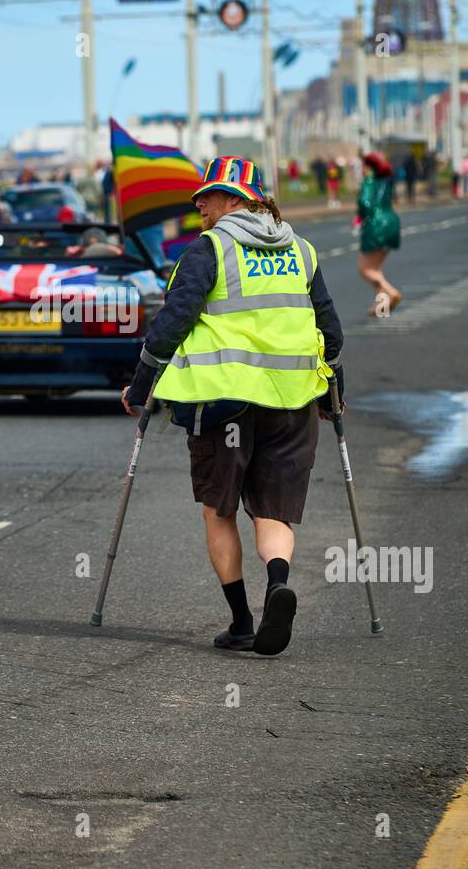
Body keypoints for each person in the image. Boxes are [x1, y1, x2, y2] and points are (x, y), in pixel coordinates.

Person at [121, 156, 344, 658]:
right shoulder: (302, 251)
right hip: (292, 402)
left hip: (223, 404)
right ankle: (278, 584)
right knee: (273, 509)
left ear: (235, 199)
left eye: (209, 194)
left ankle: (243, 621)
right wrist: (333, 390)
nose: (199, 203)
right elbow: (330, 333)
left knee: (219, 509)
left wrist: (141, 388)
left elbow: (171, 324)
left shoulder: (208, 250)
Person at [356, 152, 402, 316]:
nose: (361, 170)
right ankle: (382, 307)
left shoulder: (368, 181)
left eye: (362, 166)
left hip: (376, 224)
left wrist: (361, 214)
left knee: (365, 269)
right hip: (391, 221)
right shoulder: (385, 181)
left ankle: (391, 292)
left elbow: (365, 203)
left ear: (368, 167)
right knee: (376, 268)